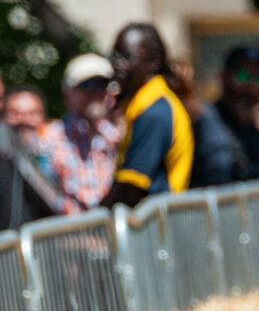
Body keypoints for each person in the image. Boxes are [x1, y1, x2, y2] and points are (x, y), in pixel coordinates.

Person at [102, 22, 193, 206]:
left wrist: (93, 222)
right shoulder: (140, 103)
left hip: (159, 227)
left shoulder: (155, 112)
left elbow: (130, 188)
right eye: (114, 55)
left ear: (154, 62)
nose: (117, 64)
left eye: (127, 56)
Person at [41, 53, 121, 214]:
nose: (96, 92)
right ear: (67, 94)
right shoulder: (49, 139)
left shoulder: (115, 138)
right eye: (87, 85)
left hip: (110, 232)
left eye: (102, 83)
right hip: (69, 234)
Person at [189, 45, 259, 188]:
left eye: (258, 78)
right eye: (243, 76)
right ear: (224, 77)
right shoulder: (204, 119)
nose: (251, 85)